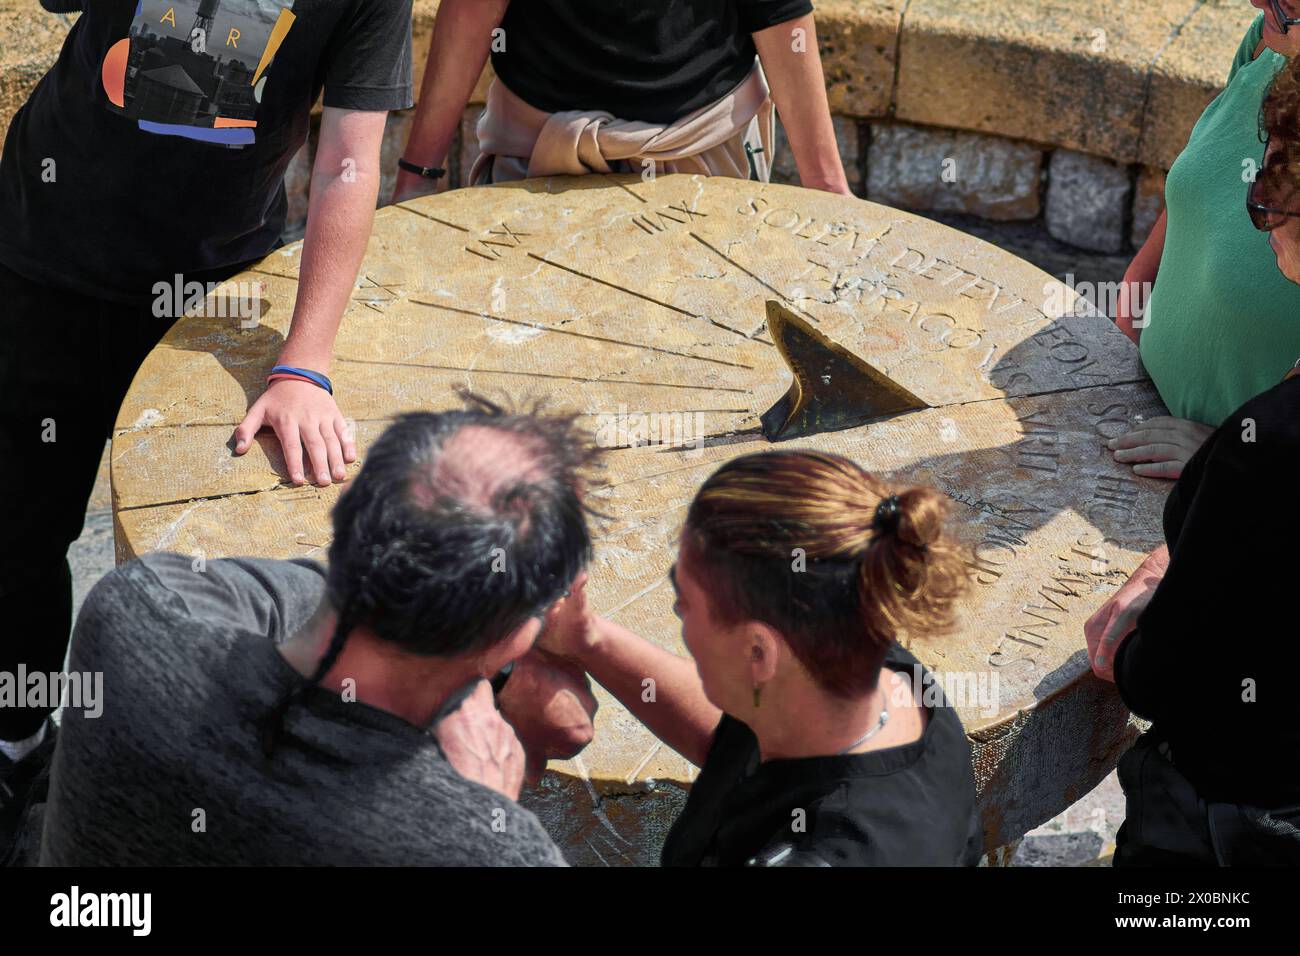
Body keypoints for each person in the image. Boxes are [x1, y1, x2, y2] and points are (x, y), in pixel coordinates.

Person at [0, 0, 414, 848]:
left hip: (215, 284)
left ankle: (191, 786)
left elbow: (347, 163)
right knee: (16, 535)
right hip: (49, 250)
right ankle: (19, 744)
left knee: (202, 557)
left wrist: (303, 363)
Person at [29, 398, 601, 866]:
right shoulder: (489, 849)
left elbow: (326, 597)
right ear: (510, 637)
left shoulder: (137, 609)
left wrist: (486, 669)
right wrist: (488, 815)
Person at [540, 450, 983, 866]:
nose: (676, 609)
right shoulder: (856, 657)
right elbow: (733, 747)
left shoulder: (833, 849)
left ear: (758, 654)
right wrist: (585, 638)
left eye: (685, 597)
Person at [1086, 53, 1300, 867]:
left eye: (1270, 187)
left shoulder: (1268, 453)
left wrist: (1133, 640)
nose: (1257, 201)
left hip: (1231, 820)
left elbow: (1163, 675)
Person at [1109, 1, 1300, 480]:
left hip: (1235, 485)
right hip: (1139, 404)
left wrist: (1231, 452)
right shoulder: (1269, 39)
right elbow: (1194, 187)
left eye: (1289, 3)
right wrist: (1128, 313)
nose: (1257, 2)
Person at [393, 0, 850, 199]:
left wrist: (828, 188)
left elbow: (779, 14)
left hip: (701, 155)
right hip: (537, 155)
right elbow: (474, 9)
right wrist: (418, 174)